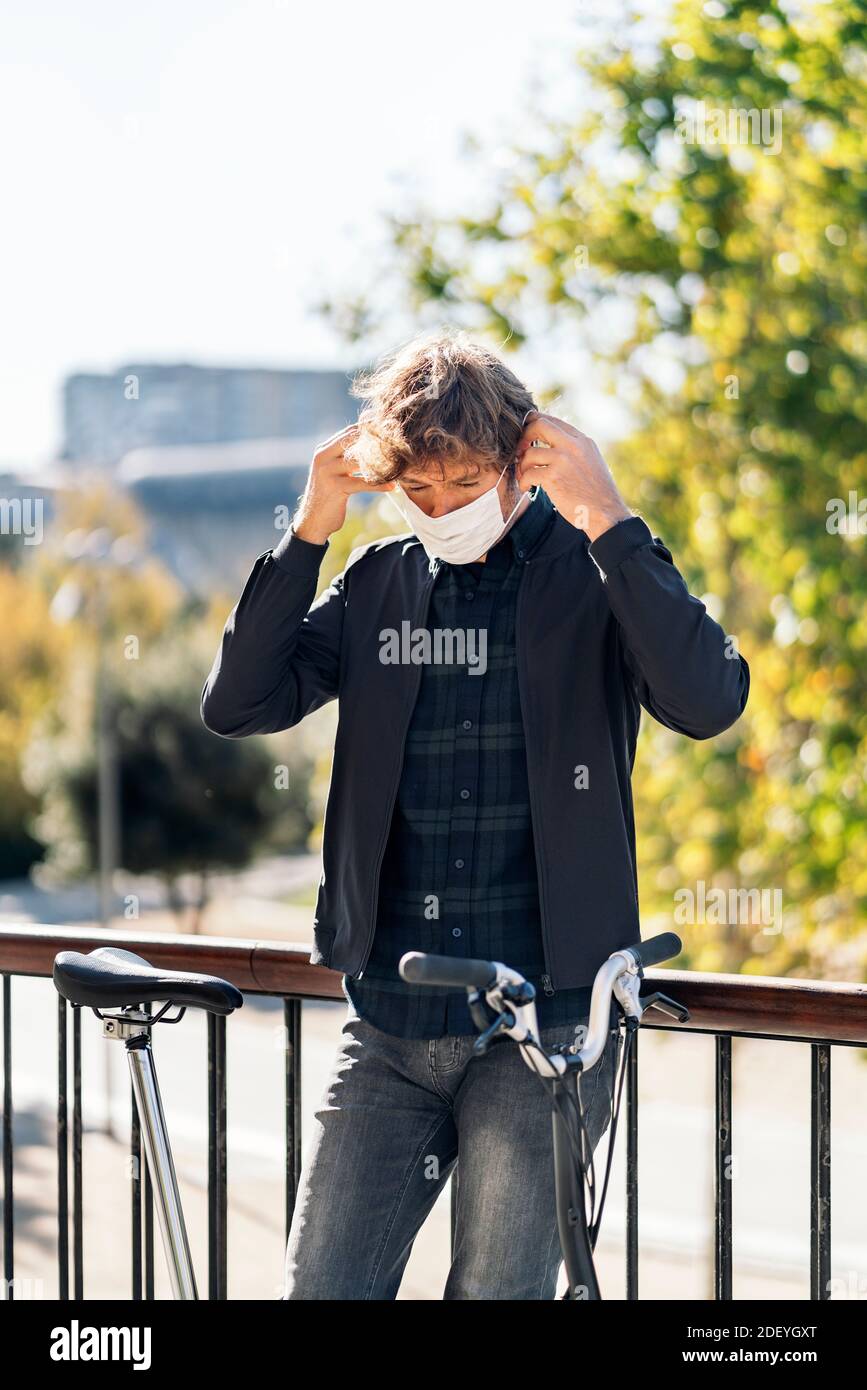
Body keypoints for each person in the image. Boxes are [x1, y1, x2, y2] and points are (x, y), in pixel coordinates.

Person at [200, 329, 750, 1299]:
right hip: (389, 1024)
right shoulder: (378, 585)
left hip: (544, 1033)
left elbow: (708, 700)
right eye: (419, 490)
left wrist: (613, 517)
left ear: (520, 461)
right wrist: (312, 527)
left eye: (462, 482)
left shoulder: (597, 573)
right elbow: (238, 703)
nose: (441, 509)